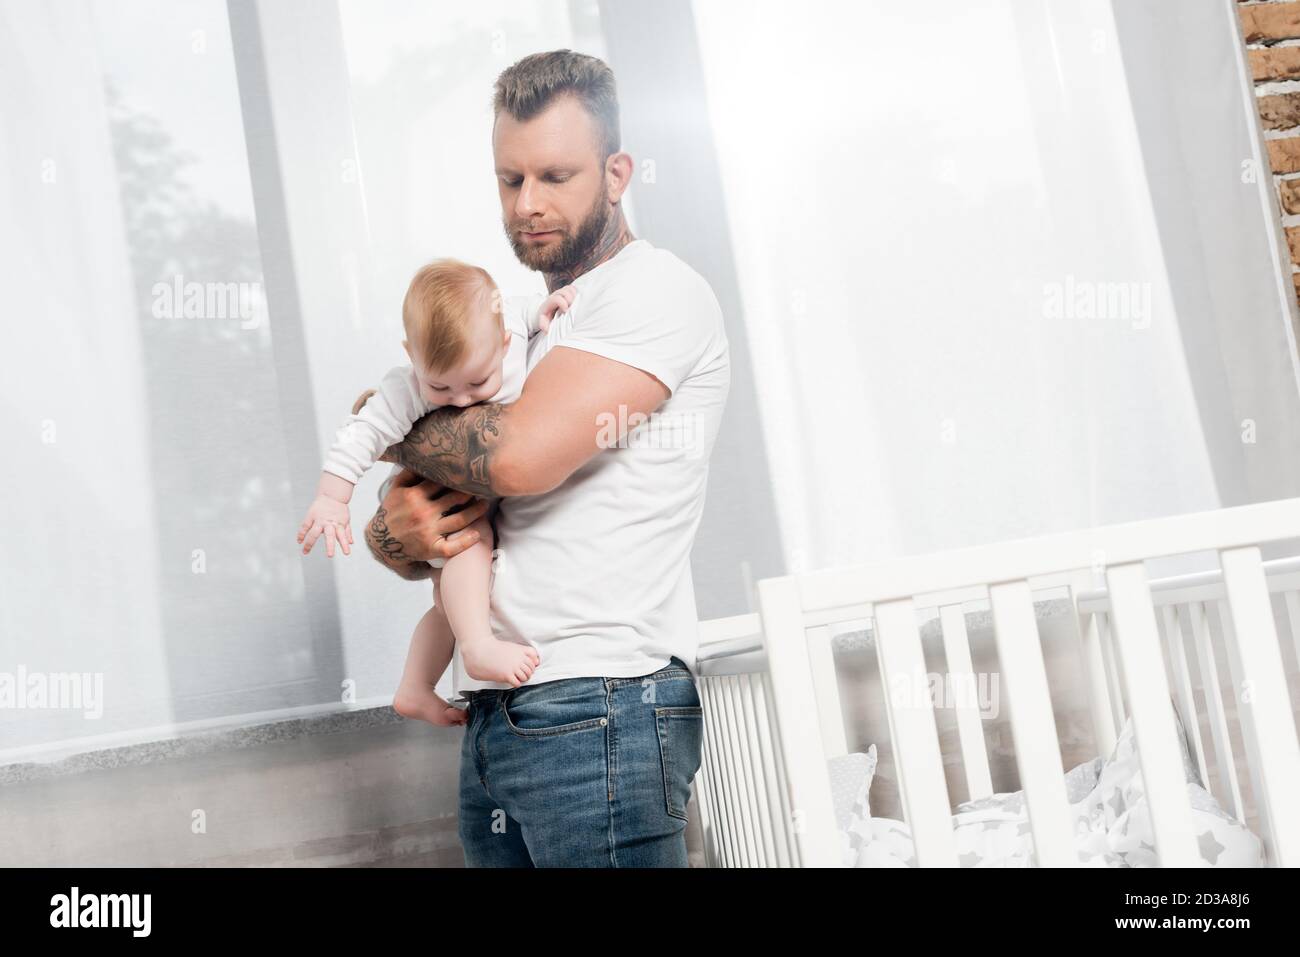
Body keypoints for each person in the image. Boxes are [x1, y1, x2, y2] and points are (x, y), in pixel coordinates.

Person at [365, 50, 730, 867]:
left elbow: (519, 460)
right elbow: (420, 529)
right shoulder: (519, 327)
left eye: (556, 176)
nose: (527, 205)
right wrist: (394, 527)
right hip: (500, 711)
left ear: (618, 172)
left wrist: (389, 431)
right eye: (509, 179)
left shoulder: (655, 292)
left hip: (602, 703)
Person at [298, 259, 576, 723]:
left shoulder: (510, 329)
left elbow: (520, 308)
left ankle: (414, 687)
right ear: (412, 356)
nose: (463, 399)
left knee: (448, 603)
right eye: (440, 386)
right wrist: (332, 498)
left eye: (477, 383)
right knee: (473, 542)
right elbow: (361, 432)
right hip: (436, 491)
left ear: (505, 341)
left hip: (468, 486)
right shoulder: (405, 388)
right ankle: (478, 646)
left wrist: (541, 312)